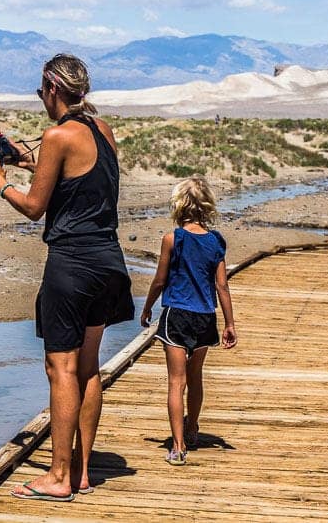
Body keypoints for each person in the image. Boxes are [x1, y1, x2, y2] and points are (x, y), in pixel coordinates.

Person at [0, 54, 134, 501]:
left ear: (52, 89)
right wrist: (32, 162)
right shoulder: (102, 131)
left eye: (40, 90)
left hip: (72, 265)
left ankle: (59, 476)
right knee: (88, 368)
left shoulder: (57, 134)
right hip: (109, 261)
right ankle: (82, 470)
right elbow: (78, 178)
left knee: (60, 368)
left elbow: (34, 207)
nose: (39, 97)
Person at [140, 174, 237, 466]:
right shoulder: (216, 241)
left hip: (177, 316)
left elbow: (159, 281)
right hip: (205, 316)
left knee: (175, 382)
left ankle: (178, 446)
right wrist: (230, 323)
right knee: (195, 378)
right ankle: (192, 427)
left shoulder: (173, 239)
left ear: (179, 205)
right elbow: (222, 285)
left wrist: (146, 309)